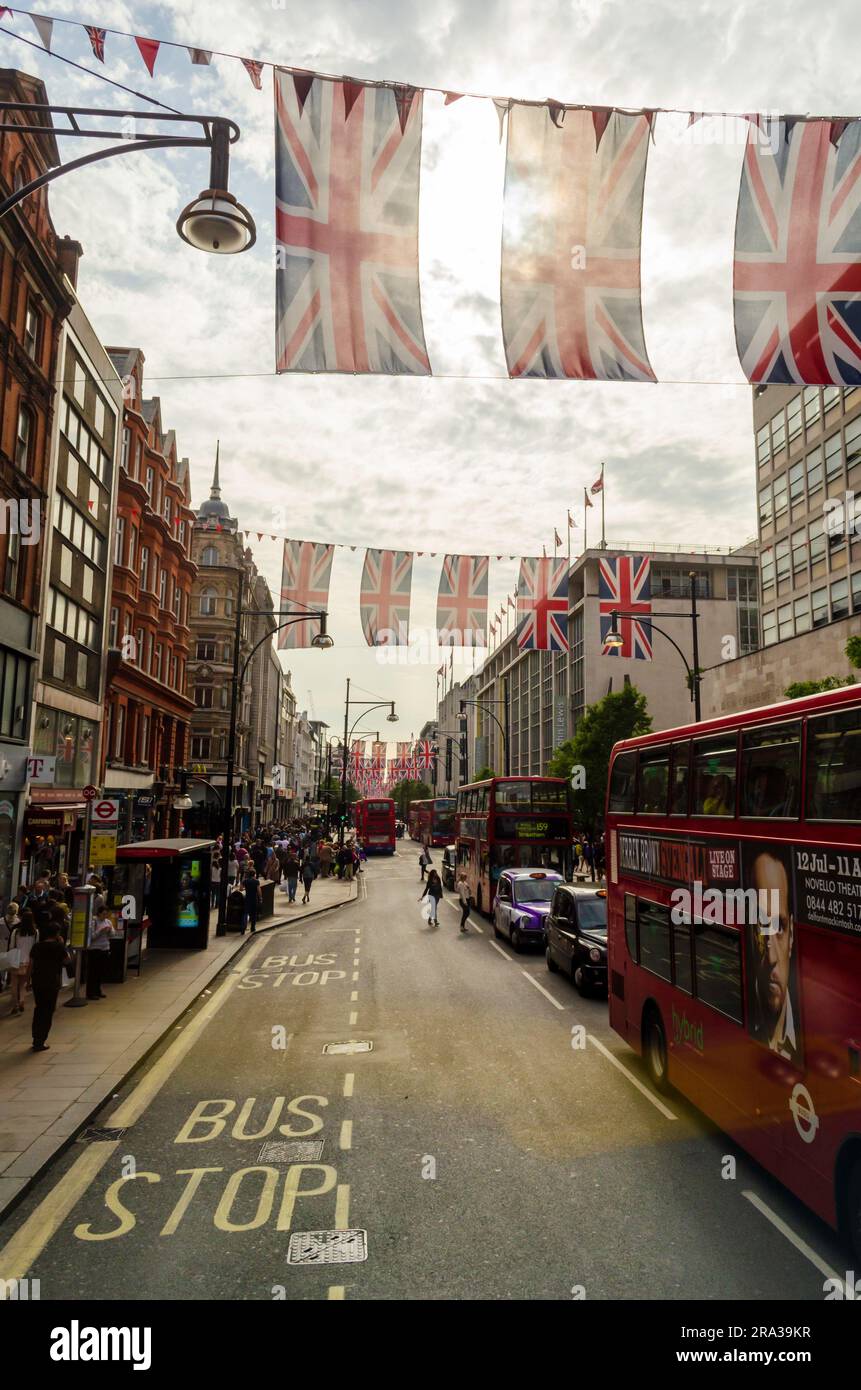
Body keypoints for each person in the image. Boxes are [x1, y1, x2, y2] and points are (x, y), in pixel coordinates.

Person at [29, 923, 71, 1052]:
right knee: (48, 1010)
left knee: (39, 1007)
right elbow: (67, 960)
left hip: (37, 980)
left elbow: (31, 964)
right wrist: (63, 945)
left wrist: (27, 981)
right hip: (52, 981)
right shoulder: (59, 947)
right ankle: (40, 1040)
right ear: (57, 934)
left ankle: (36, 1037)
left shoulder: (37, 946)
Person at [8, 911, 36, 1014]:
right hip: (28, 961)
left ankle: (15, 1004)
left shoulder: (16, 932)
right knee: (23, 984)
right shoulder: (35, 932)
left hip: (16, 960)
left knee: (14, 984)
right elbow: (35, 947)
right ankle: (22, 1000)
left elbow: (11, 946)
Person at [86, 908, 114, 1000]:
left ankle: (98, 990)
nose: (105, 916)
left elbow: (113, 934)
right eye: (103, 914)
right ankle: (90, 992)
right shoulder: (94, 922)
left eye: (106, 914)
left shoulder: (108, 922)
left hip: (105, 948)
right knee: (93, 971)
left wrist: (109, 931)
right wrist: (100, 931)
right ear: (99, 913)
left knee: (100, 971)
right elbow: (91, 936)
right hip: (95, 948)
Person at [242, 866, 262, 934]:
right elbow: (259, 891)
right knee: (253, 914)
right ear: (254, 874)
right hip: (254, 899)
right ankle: (252, 928)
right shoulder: (256, 881)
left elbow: (241, 888)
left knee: (245, 913)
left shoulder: (245, 881)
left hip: (247, 898)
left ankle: (243, 927)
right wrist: (260, 898)